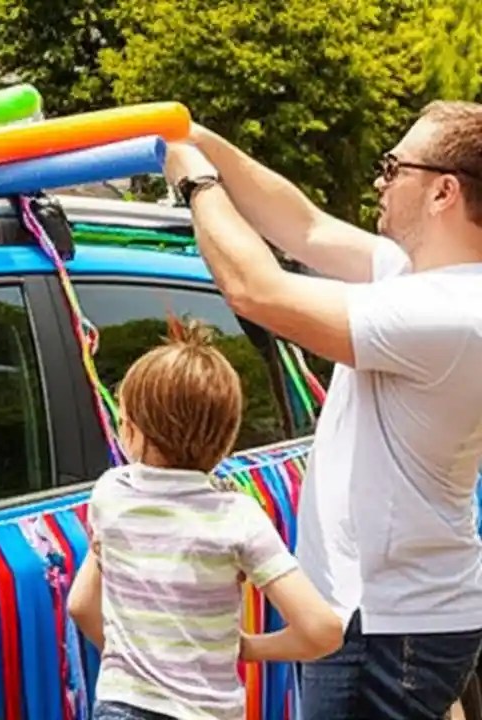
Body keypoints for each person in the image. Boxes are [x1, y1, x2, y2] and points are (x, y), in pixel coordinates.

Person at [162, 100, 482, 718]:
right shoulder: (415, 275)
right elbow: (303, 227)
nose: (379, 181)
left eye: (394, 167)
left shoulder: (449, 313)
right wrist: (190, 136)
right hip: (381, 612)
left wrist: (196, 180)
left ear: (443, 191)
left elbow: (257, 290)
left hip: (389, 626)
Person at [68, 316, 342, 720]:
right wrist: (247, 647)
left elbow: (80, 604)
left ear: (134, 432)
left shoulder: (110, 495)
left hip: (120, 707)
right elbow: (322, 631)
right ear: (228, 437)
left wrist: (129, 664)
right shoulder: (238, 517)